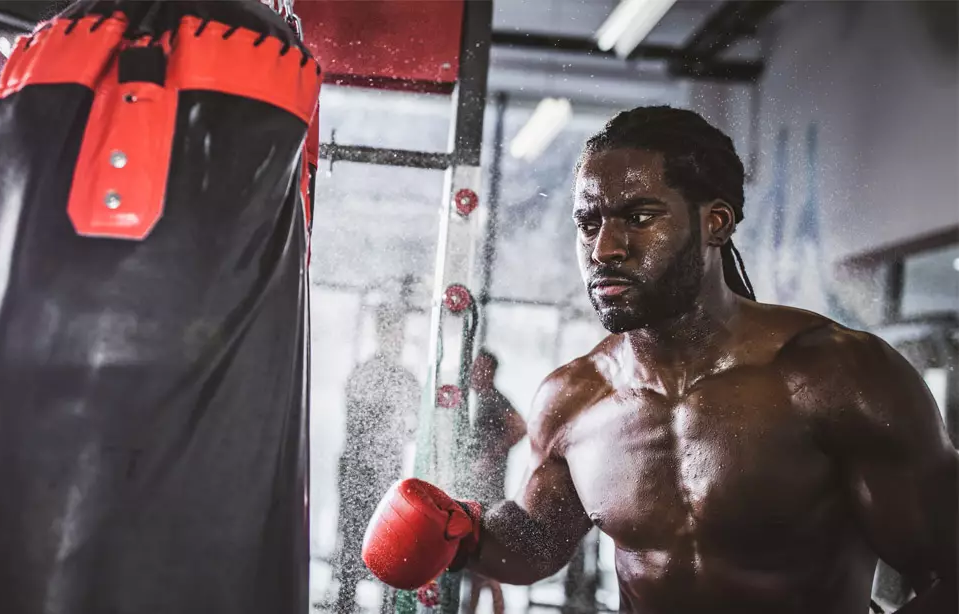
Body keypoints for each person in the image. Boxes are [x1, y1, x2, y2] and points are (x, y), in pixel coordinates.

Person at [362, 106, 958, 613]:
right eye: (588, 222)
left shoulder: (836, 377)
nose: (605, 248)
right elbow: (539, 541)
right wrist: (461, 533)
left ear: (715, 223)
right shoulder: (575, 399)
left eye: (639, 218)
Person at [333, 303, 420, 614]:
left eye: (397, 331)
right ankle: (349, 601)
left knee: (386, 541)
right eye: (391, 330)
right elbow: (357, 423)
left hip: (383, 473)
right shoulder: (370, 375)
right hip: (362, 470)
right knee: (358, 539)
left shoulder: (396, 378)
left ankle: (378, 604)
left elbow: (416, 427)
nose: (394, 337)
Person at [463, 350, 526, 614]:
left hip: (488, 491)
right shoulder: (474, 400)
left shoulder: (495, 400)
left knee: (484, 555)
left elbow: (520, 427)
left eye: (482, 369)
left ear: (491, 372)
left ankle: (496, 609)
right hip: (474, 487)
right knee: (478, 558)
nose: (476, 374)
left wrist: (492, 456)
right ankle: (476, 608)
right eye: (474, 368)